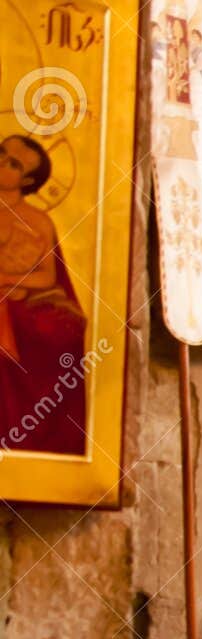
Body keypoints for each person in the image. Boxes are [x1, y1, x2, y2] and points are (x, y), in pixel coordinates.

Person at [0, 134, 88, 457]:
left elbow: (49, 276)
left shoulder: (38, 222)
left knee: (54, 330)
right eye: (1, 153)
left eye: (13, 164)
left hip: (15, 298)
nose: (0, 163)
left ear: (26, 181)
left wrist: (6, 280)